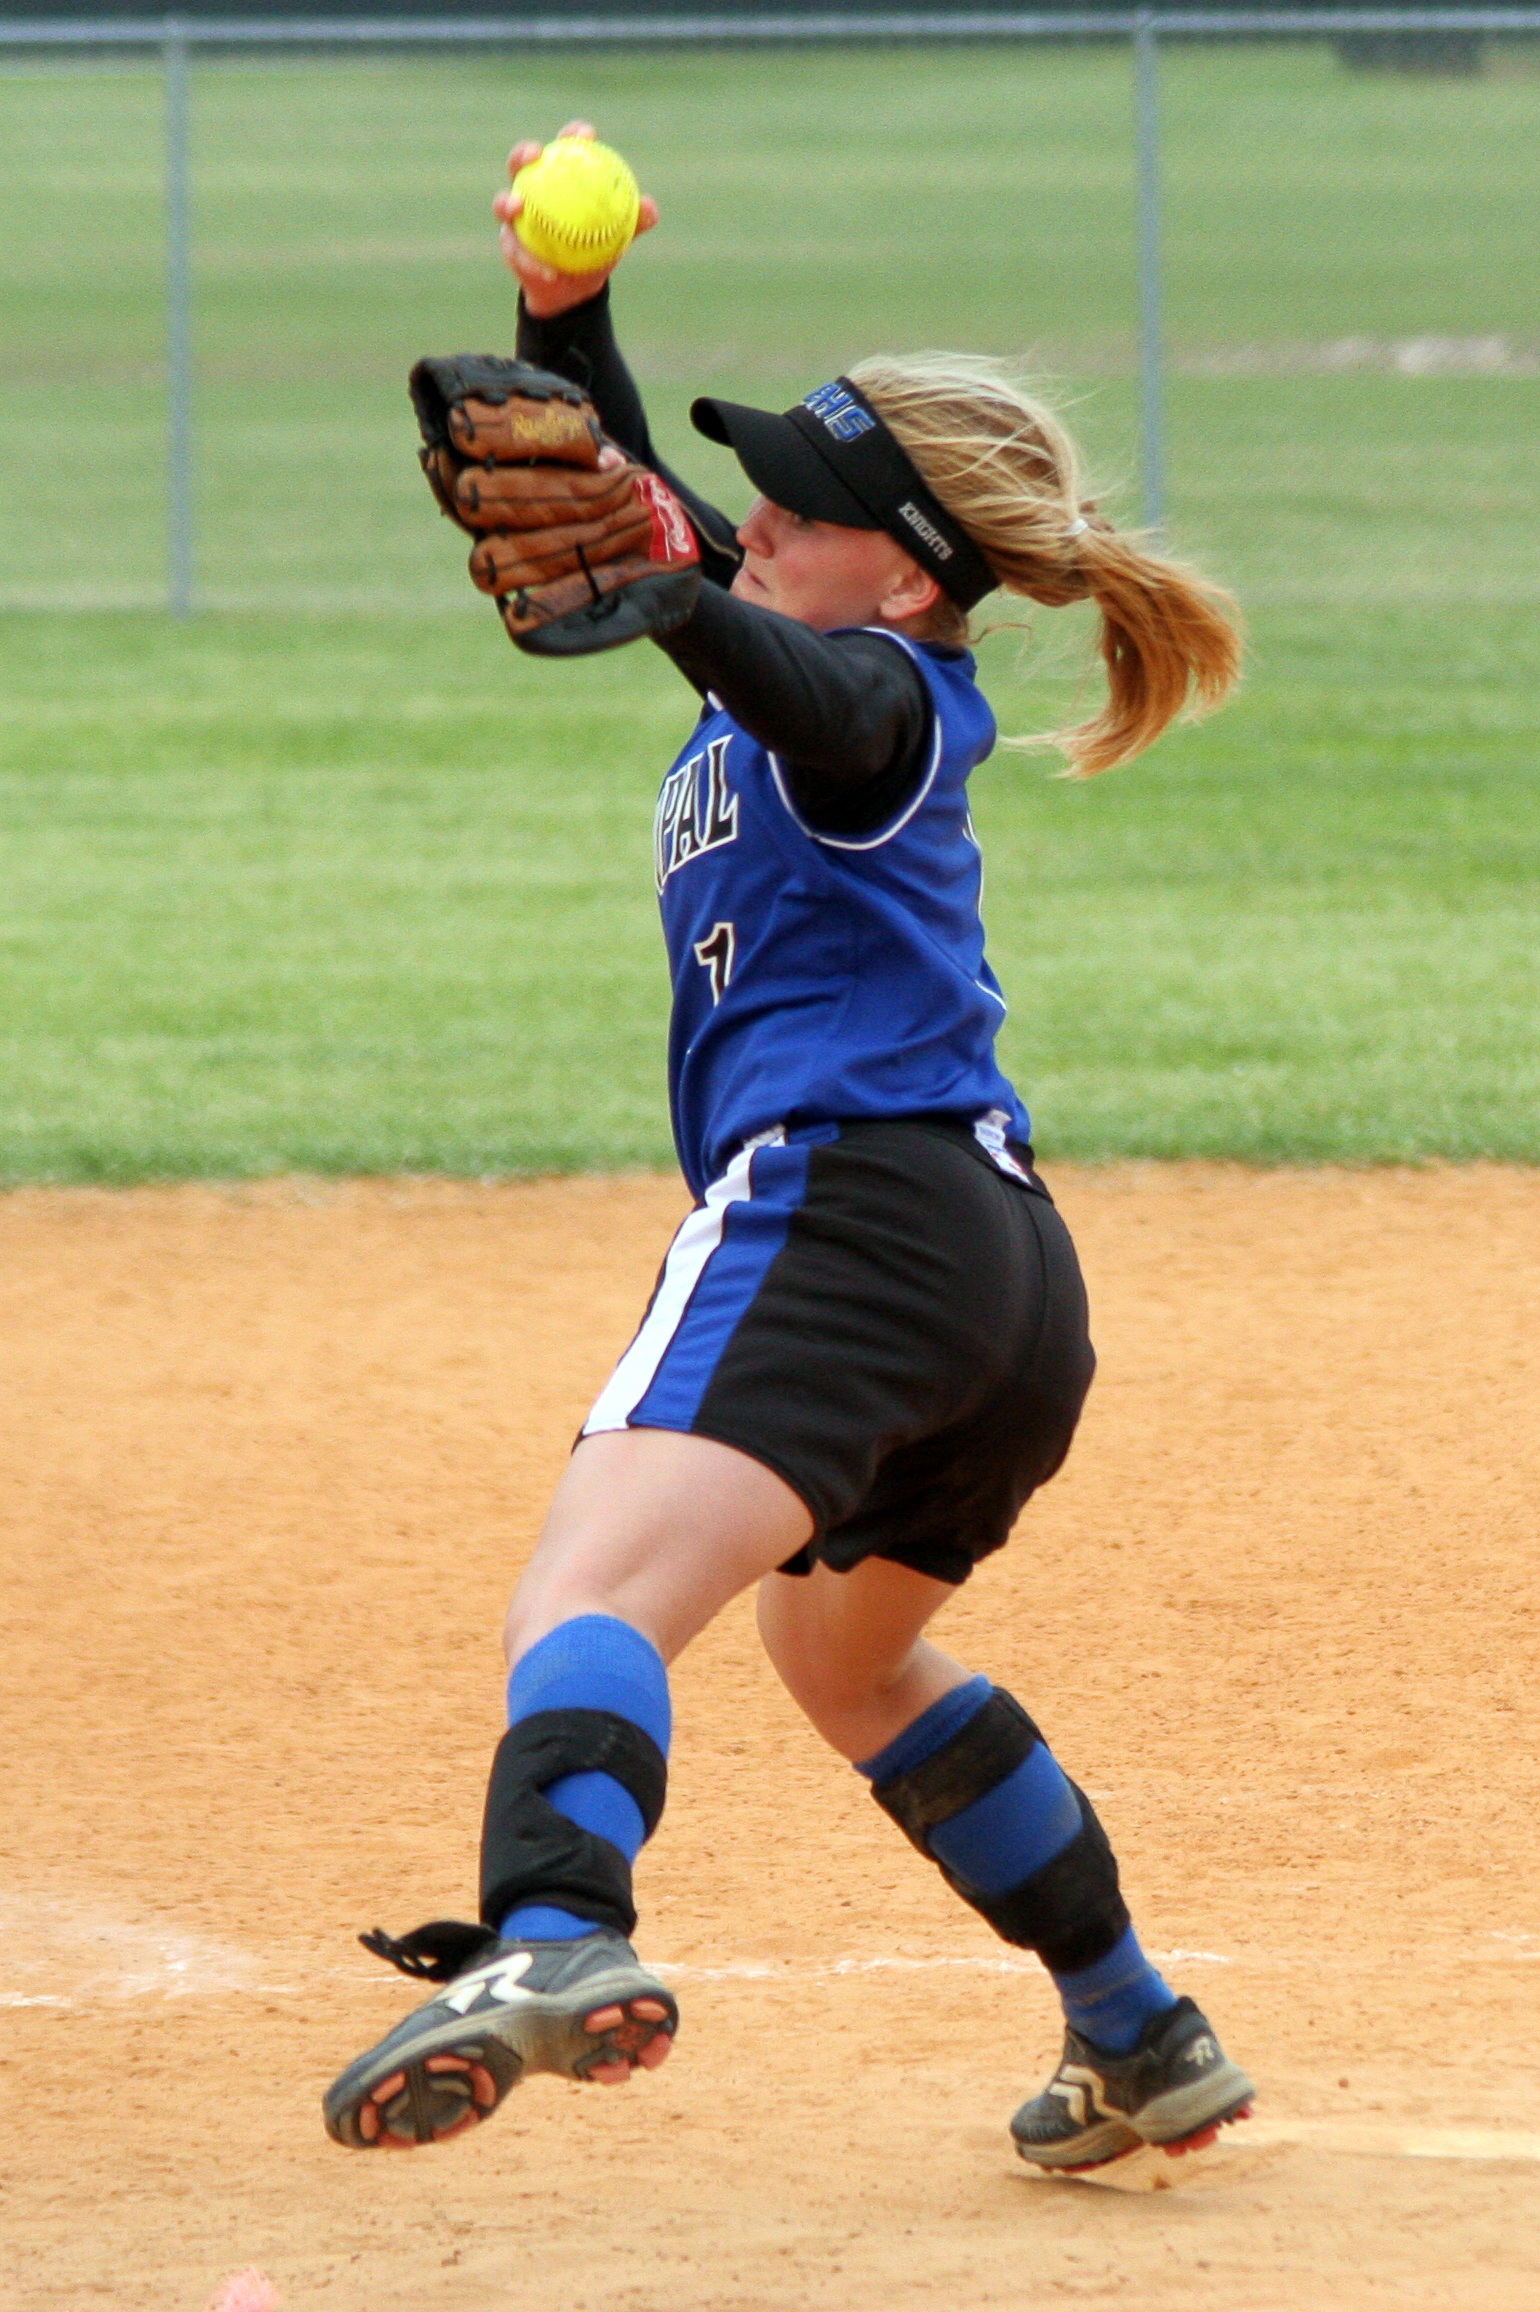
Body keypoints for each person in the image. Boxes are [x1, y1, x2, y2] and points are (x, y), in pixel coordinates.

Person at [323, 124, 1254, 2175]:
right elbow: (639, 509)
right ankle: (1136, 2028)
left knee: (588, 1586)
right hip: (998, 1275)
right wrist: (563, 319)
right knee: (836, 1648)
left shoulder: (888, 706)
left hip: (843, 1207)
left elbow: (778, 666)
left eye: (795, 506)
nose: (744, 517)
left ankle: (558, 1933)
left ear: (905, 569)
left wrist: (673, 585)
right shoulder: (788, 627)